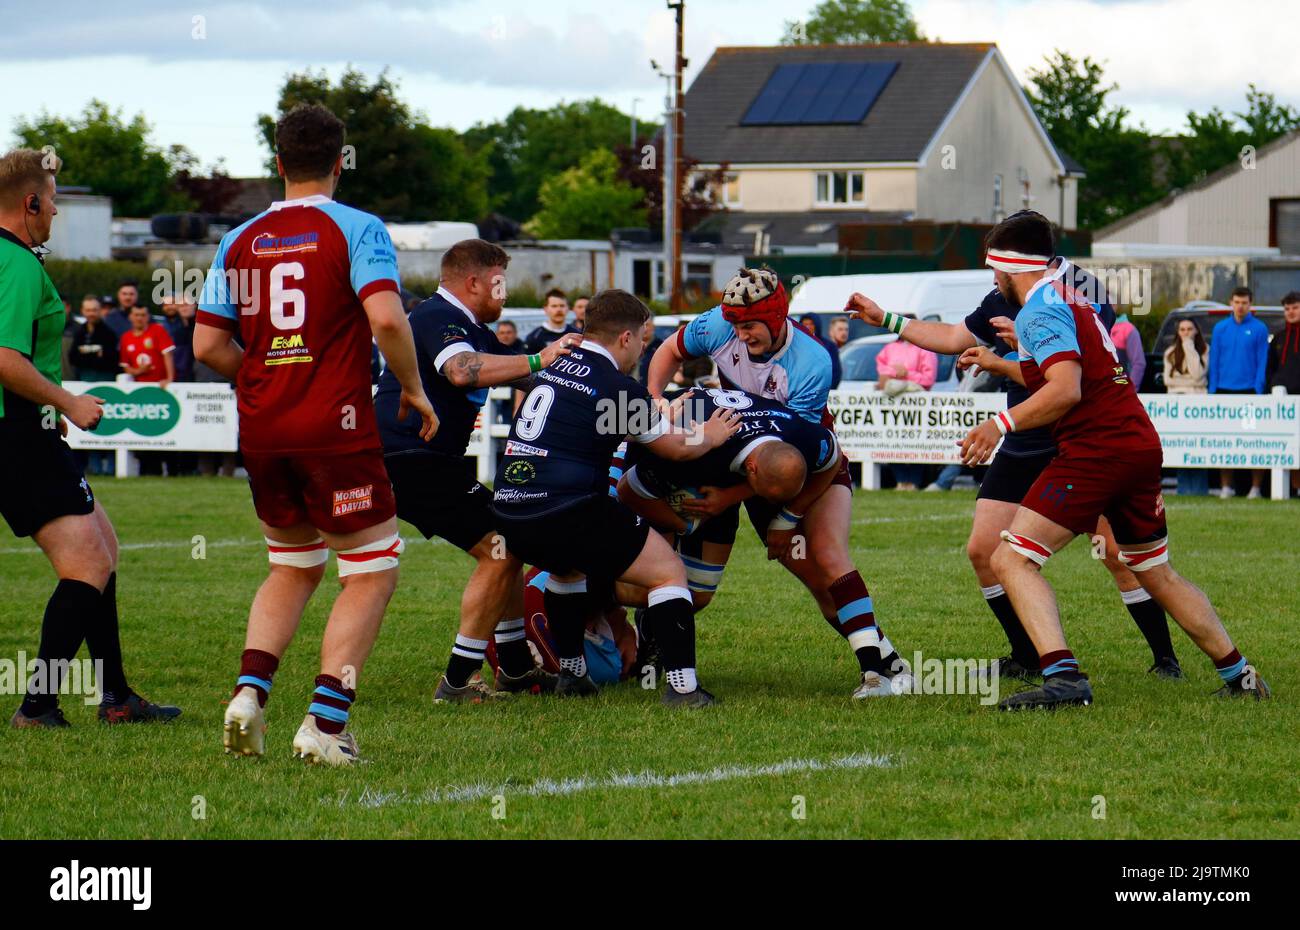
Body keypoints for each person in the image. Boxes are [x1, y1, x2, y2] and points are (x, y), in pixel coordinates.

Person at [195, 102, 437, 766]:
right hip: (335, 423)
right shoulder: (357, 228)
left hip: (264, 426)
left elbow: (208, 342)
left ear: (277, 164)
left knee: (293, 565)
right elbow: (387, 318)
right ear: (339, 162)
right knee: (371, 570)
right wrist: (412, 387)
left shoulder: (238, 238)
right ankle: (325, 725)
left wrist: (267, 377)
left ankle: (249, 695)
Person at [956, 210, 1268, 709]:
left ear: (1011, 268)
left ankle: (1064, 679)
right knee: (1155, 571)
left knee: (1009, 558)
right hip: (1136, 443)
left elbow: (1066, 390)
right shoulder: (1068, 301)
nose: (995, 282)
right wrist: (1000, 363)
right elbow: (1072, 374)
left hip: (1096, 451)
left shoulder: (1039, 310)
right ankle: (1240, 675)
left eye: (996, 272)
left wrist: (1000, 424)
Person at [847, 223, 1183, 681]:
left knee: (1113, 551)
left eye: (996, 262)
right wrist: (886, 318)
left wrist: (1020, 344)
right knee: (985, 550)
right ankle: (1029, 655)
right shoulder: (1003, 291)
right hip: (1024, 434)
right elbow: (951, 337)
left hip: (1076, 435)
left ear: (1022, 256)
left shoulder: (1079, 289)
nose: (992, 277)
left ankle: (1165, 658)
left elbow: (1074, 375)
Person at [648, 268, 911, 699]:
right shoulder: (720, 323)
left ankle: (879, 672)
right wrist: (656, 396)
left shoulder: (811, 361)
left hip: (809, 466)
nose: (740, 335)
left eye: (749, 326)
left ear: (777, 317)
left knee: (826, 555)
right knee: (810, 579)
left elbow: (796, 463)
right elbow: (670, 349)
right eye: (734, 325)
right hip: (748, 465)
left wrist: (779, 518)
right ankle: (892, 665)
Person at [0, 147, 180, 728]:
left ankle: (118, 697)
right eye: (51, 200)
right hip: (21, 432)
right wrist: (68, 401)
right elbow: (4, 358)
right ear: (30, 203)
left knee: (103, 549)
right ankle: (39, 704)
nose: (54, 211)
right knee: (85, 566)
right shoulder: (17, 263)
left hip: (26, 432)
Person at [492, 289, 740, 706]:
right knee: (667, 573)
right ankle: (683, 688)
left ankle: (573, 676)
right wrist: (710, 434)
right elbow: (676, 448)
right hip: (565, 507)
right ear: (625, 337)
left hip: (509, 508)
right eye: (644, 341)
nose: (642, 352)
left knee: (567, 571)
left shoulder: (556, 363)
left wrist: (658, 415)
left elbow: (587, 418)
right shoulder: (615, 385)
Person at [376, 238, 578, 702]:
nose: (505, 294)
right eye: (500, 283)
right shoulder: (436, 317)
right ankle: (457, 680)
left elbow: (536, 378)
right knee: (500, 550)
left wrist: (600, 381)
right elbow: (464, 372)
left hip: (426, 461)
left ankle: (512, 667)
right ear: (474, 282)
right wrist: (538, 358)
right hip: (410, 459)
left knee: (510, 543)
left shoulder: (471, 328)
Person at [618, 388, 844, 619]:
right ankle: (591, 595)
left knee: (697, 595)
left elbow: (833, 458)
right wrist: (684, 524)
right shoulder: (696, 451)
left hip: (719, 479)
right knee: (658, 581)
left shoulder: (804, 438)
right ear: (751, 470)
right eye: (763, 495)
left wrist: (787, 517)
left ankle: (649, 623)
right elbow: (628, 490)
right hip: (664, 441)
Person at [1208, 286, 1269, 499]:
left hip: (1250, 392)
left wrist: (1258, 390)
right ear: (1231, 303)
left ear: (1250, 304)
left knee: (1254, 441)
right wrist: (1212, 390)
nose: (1240, 306)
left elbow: (1263, 361)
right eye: (1236, 302)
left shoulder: (1260, 328)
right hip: (1224, 391)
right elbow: (1213, 361)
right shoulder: (1220, 328)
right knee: (1224, 440)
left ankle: (1255, 488)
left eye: (1244, 302)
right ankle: (1226, 487)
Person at [874, 336, 937, 489]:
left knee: (918, 442)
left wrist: (907, 374)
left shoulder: (926, 348)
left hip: (918, 408)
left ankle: (914, 481)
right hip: (892, 409)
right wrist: (895, 374)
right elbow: (882, 371)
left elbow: (928, 378)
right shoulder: (890, 347)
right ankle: (901, 480)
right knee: (891, 439)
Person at [1163, 317, 1210, 496]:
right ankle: (1183, 489)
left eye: (1189, 329)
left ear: (1196, 331)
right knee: (1181, 445)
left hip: (1198, 406)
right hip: (1177, 406)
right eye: (1182, 330)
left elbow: (1198, 375)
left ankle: (1200, 490)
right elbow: (1168, 380)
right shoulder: (1170, 352)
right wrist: (1189, 382)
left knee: (1197, 445)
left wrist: (1189, 348)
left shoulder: (1204, 350)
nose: (1186, 333)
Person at [1267, 291, 1300, 497]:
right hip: (1283, 403)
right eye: (1287, 308)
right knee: (1288, 446)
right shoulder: (1278, 337)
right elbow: (1270, 368)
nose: (1290, 312)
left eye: (1295, 307)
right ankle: (1295, 488)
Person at [71, 295, 119, 382]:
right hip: (83, 380)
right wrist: (96, 354)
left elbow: (111, 360)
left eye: (94, 310)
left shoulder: (109, 333)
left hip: (104, 380)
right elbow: (73, 358)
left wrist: (85, 354)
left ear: (100, 310)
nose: (91, 314)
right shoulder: (79, 333)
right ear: (82, 311)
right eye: (88, 310)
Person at [524, 288, 579, 354]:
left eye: (562, 306)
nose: (559, 309)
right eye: (554, 306)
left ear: (568, 308)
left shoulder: (576, 334)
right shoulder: (534, 338)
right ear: (545, 309)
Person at [1109, 314, 1145, 390]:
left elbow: (1138, 363)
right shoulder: (1096, 325)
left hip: (1119, 391)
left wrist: (1130, 390)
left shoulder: (1128, 329)